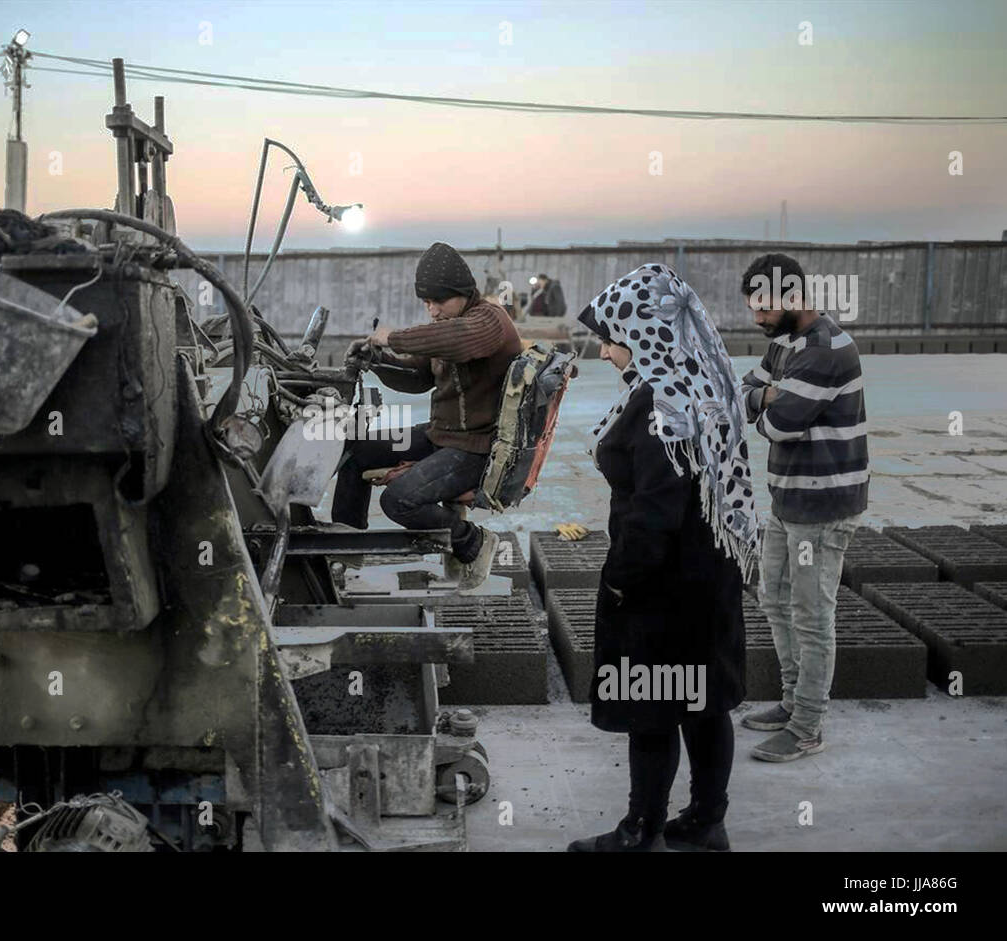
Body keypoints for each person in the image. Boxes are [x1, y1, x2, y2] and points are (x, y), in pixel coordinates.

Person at [566, 263, 757, 852]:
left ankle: (638, 832)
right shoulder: (704, 385)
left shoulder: (660, 408)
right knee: (703, 703)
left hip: (661, 589)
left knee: (650, 707)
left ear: (644, 333)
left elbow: (653, 514)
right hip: (711, 578)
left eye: (610, 338)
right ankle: (706, 821)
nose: (602, 352)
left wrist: (621, 584)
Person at [738, 253, 868, 762]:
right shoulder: (786, 342)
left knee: (812, 617)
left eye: (763, 309)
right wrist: (767, 395)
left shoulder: (825, 351)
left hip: (824, 505)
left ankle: (808, 726)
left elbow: (779, 425)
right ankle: (791, 703)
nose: (756, 320)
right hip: (788, 498)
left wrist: (766, 402)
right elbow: (743, 388)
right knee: (774, 600)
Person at [331, 241, 520, 589]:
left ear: (463, 293)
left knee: (398, 499)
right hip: (440, 436)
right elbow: (418, 378)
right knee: (354, 452)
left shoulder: (489, 319)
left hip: (475, 449)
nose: (432, 311)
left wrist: (392, 337)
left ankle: (473, 541)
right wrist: (375, 359)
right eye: (426, 303)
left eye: (438, 301)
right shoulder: (447, 328)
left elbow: (459, 340)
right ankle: (346, 551)